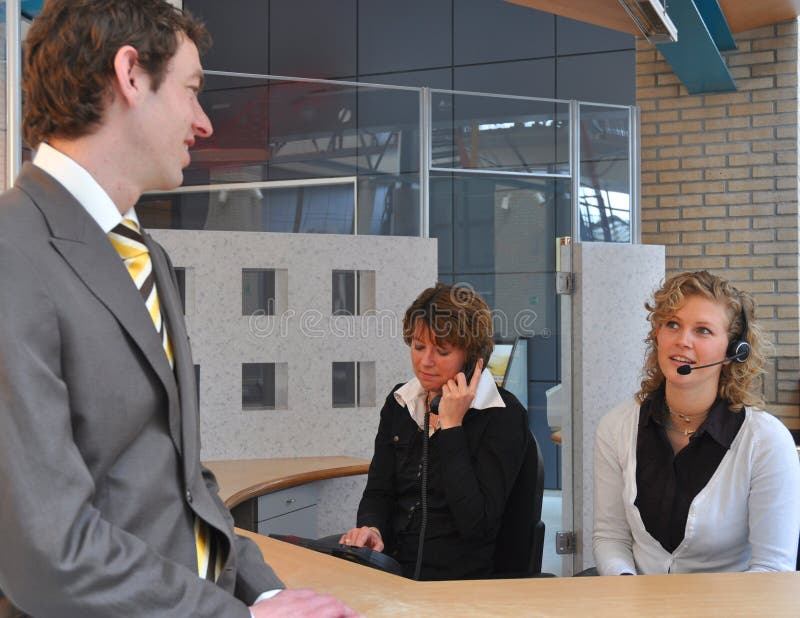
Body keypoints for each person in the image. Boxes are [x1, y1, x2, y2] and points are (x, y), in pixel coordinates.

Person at [0, 1, 357, 616]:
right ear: (131, 75)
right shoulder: (12, 251)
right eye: (192, 92)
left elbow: (179, 480)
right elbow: (47, 553)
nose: (204, 123)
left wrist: (263, 589)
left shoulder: (143, 254)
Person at [593, 270, 800, 575]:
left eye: (702, 331)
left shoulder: (766, 441)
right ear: (657, 336)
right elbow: (610, 537)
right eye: (672, 325)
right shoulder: (617, 426)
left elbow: (772, 567)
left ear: (733, 352)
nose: (682, 341)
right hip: (637, 602)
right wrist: (627, 590)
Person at [340, 283, 529, 580]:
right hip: (391, 573)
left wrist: (452, 427)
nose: (425, 362)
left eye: (442, 351)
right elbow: (379, 491)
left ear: (472, 359)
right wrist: (372, 528)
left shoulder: (503, 416)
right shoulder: (400, 403)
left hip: (460, 584)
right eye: (418, 347)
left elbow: (476, 525)